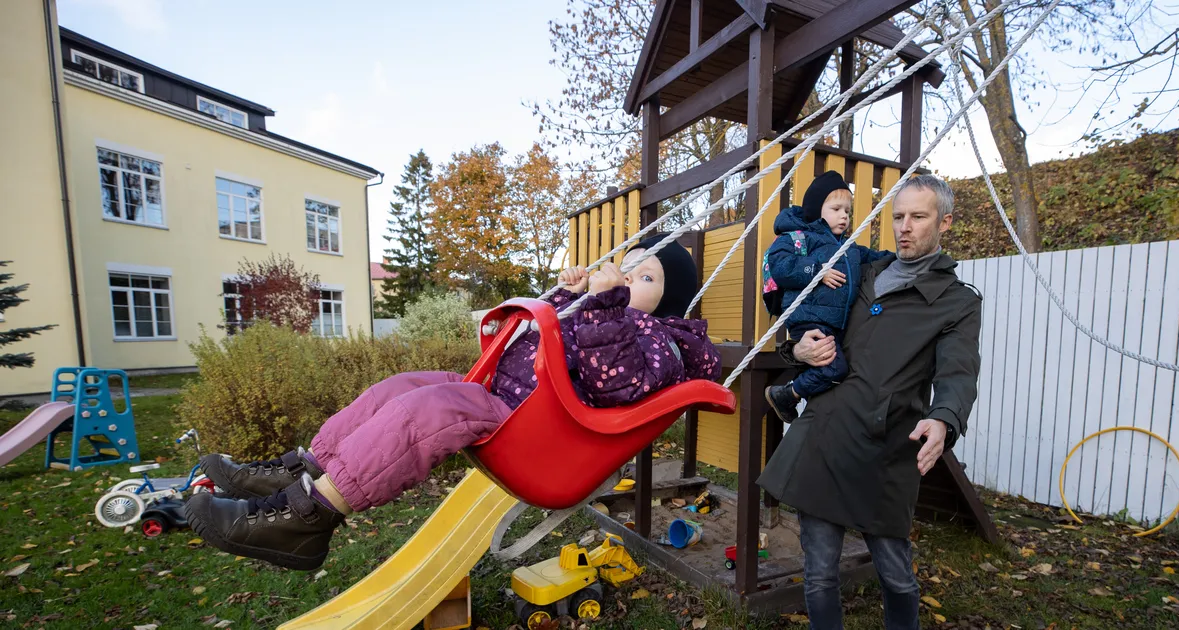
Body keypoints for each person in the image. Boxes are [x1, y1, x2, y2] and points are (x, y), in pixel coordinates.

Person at [185, 234, 722, 571]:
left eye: (643, 276)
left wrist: (605, 306)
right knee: (399, 388)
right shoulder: (611, 310)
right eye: (625, 267)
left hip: (537, 428)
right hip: (503, 396)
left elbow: (618, 386)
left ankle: (305, 520)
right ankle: (301, 472)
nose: (626, 277)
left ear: (669, 300)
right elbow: (558, 338)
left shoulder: (662, 339)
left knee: (425, 414)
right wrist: (570, 296)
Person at [756, 175, 983, 630]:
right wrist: (795, 350)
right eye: (898, 217)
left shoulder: (956, 301)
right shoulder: (862, 266)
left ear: (945, 222)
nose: (905, 227)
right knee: (819, 574)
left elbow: (958, 371)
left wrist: (944, 419)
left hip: (885, 449)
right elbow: (805, 310)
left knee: (896, 577)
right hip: (824, 435)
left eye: (918, 217)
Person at [760, 170, 893, 422]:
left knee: (837, 372)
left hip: (834, 323)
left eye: (847, 210)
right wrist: (817, 271)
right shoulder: (799, 237)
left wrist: (901, 258)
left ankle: (803, 401)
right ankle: (787, 394)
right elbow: (780, 265)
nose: (844, 215)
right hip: (809, 320)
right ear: (816, 209)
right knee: (834, 368)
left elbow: (874, 257)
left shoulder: (847, 247)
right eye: (836, 209)